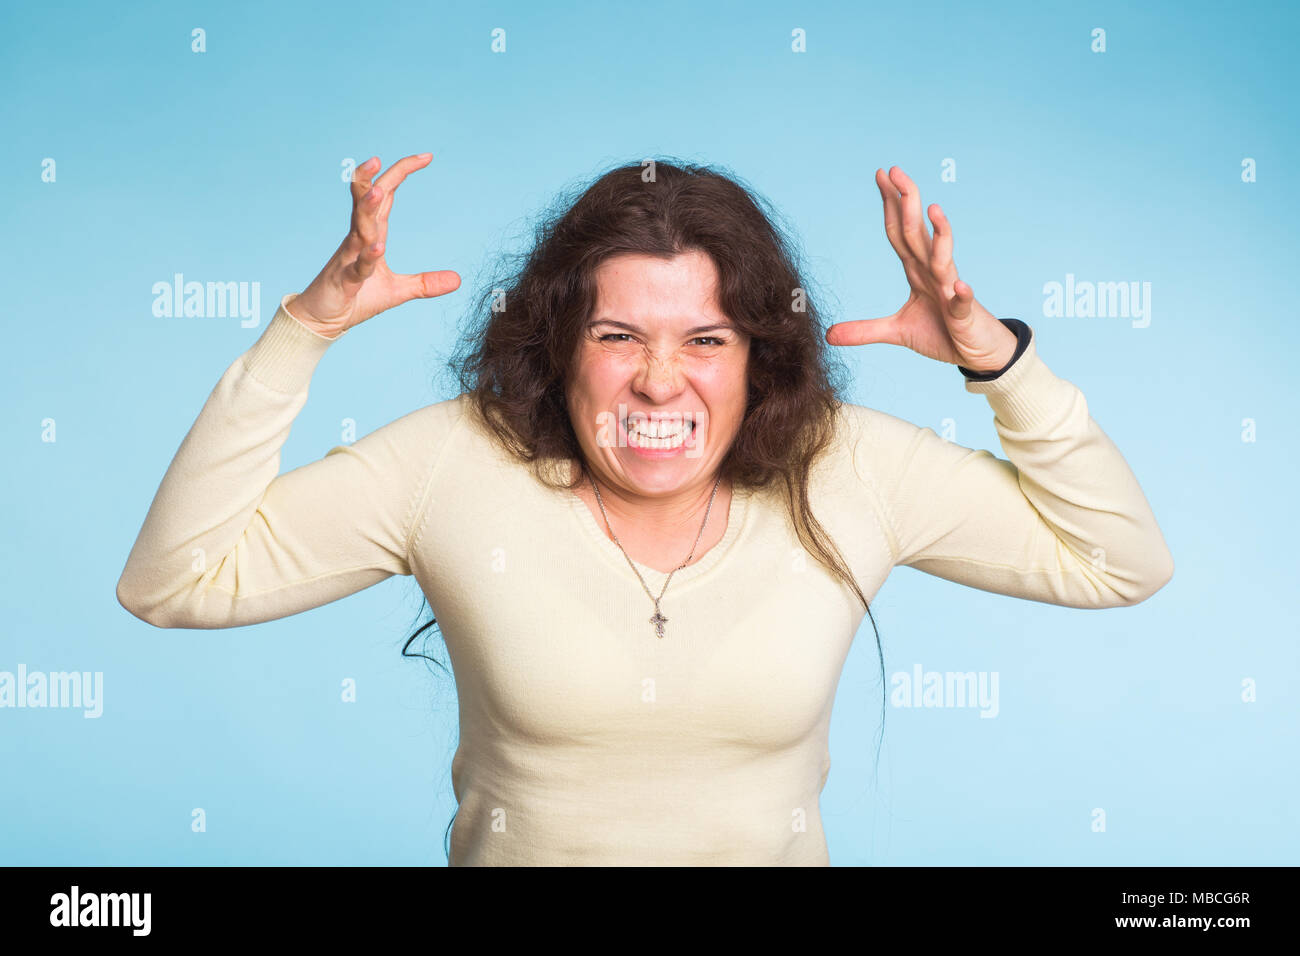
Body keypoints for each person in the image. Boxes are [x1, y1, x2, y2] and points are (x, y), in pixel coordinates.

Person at [116, 154, 1174, 865]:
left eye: (706, 340)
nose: (661, 382)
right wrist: (301, 331)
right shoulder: (452, 461)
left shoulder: (845, 468)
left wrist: (997, 361)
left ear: (760, 356)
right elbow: (172, 581)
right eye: (617, 335)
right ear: (555, 346)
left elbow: (1118, 559)